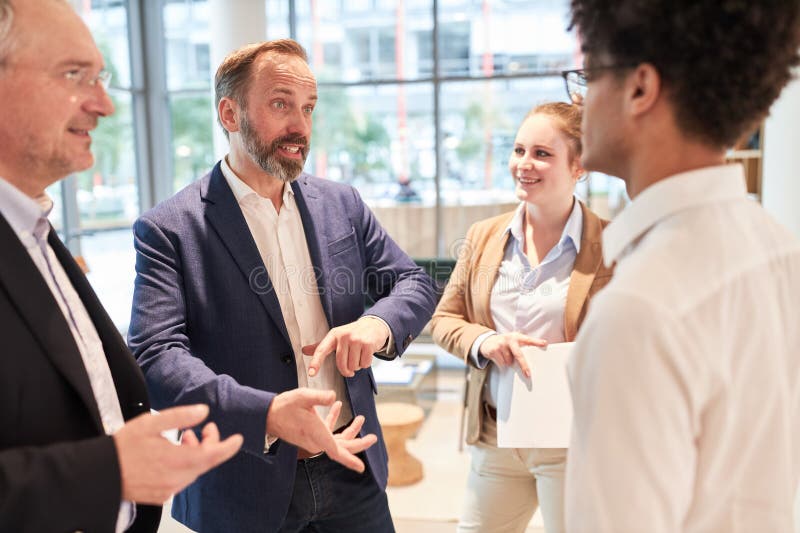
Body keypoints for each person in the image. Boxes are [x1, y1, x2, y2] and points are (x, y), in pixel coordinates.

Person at [127, 38, 438, 533]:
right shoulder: (170, 228)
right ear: (229, 114)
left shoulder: (342, 203)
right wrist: (266, 414)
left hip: (352, 463)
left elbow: (412, 282)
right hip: (241, 482)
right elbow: (154, 356)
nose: (300, 126)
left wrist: (376, 325)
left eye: (308, 108)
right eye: (280, 104)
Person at [0, 1, 244, 531]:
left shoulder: (34, 229)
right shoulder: (170, 223)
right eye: (74, 74)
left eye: (100, 78)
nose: (105, 105)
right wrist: (105, 473)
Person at [562, 1, 800, 532]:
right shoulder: (779, 249)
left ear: (640, 88)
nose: (578, 100)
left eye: (589, 75)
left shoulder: (638, 310)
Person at [431, 102, 613, 533]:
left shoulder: (613, 245)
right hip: (497, 436)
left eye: (542, 154)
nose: (524, 164)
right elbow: (444, 319)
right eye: (518, 150)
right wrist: (486, 342)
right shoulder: (484, 236)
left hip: (573, 443)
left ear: (579, 166)